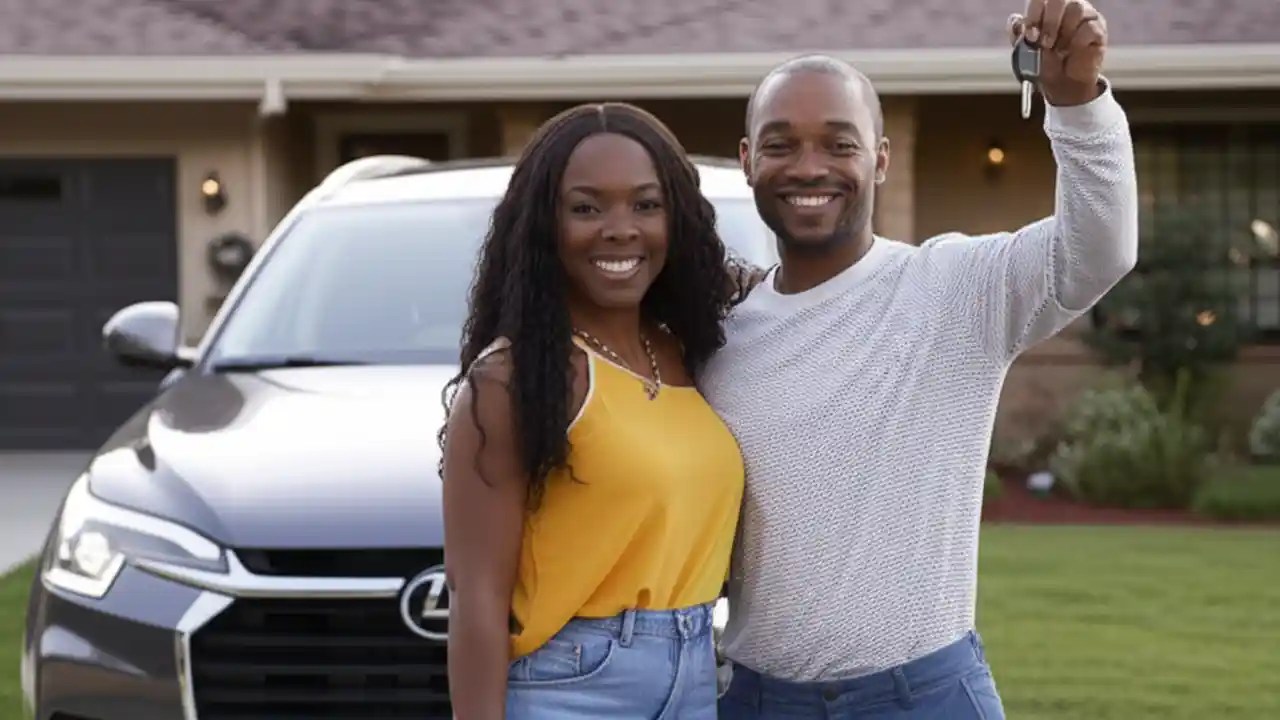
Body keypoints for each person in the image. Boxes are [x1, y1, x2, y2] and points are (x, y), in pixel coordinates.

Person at [701, 1, 1137, 718]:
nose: (810, 167)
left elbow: (1098, 251)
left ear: (880, 159)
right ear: (749, 161)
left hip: (923, 697)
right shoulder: (718, 337)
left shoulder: (954, 289)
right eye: (781, 144)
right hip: (756, 700)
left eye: (839, 144)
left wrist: (1075, 101)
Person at [438, 102, 751, 719]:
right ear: (543, 227)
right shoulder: (513, 381)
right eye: (585, 207)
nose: (619, 228)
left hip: (696, 675)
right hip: (571, 688)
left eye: (646, 204)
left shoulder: (686, 350)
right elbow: (476, 599)